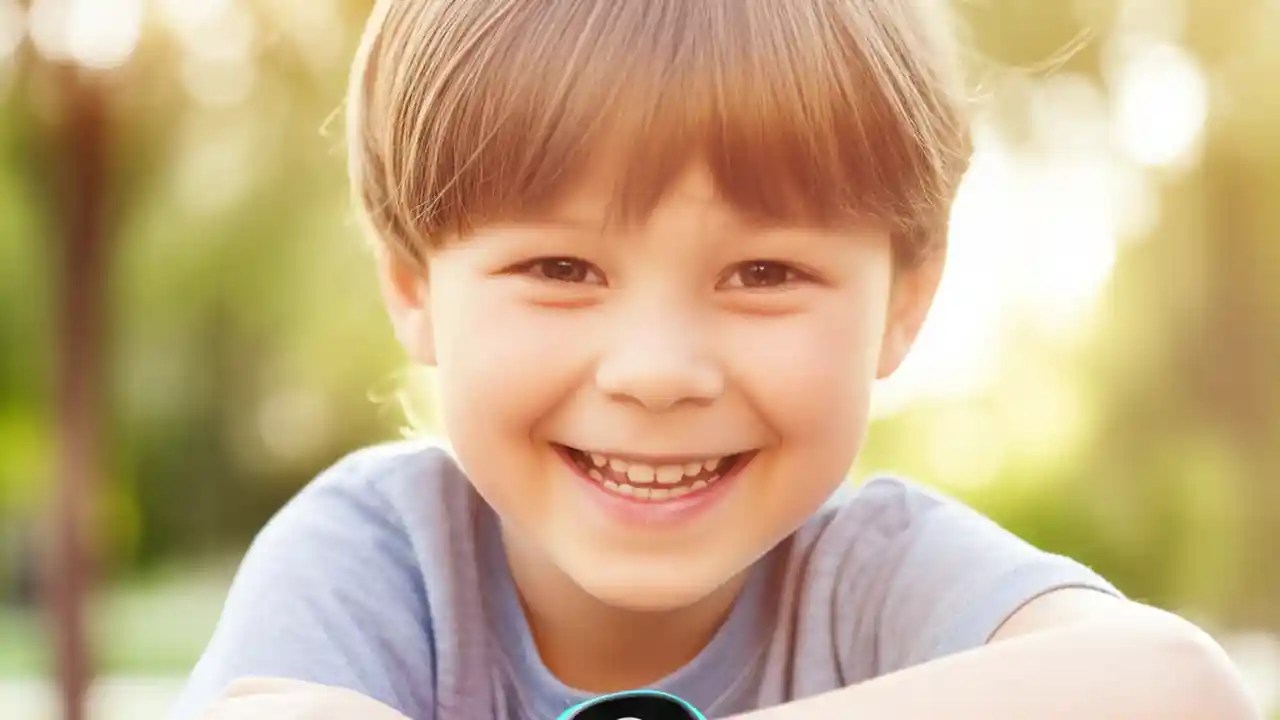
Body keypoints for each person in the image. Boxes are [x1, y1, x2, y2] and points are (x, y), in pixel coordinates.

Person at [170, 0, 1260, 718]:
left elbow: (1175, 692)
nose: (656, 370)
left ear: (902, 305)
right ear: (413, 288)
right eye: (560, 267)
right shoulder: (381, 556)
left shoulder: (873, 580)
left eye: (762, 275)